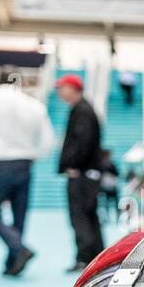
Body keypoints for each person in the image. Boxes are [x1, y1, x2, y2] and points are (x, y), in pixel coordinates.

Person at [0, 74, 54, 277]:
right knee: (19, 214)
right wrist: (34, 156)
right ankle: (13, 262)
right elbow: (48, 140)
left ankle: (18, 248)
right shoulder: (33, 104)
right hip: (25, 163)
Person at [54, 74, 103, 273]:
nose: (59, 92)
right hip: (86, 173)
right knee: (88, 215)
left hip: (81, 174)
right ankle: (95, 255)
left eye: (62, 87)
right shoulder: (83, 109)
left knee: (81, 216)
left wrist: (73, 165)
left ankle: (85, 256)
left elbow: (83, 142)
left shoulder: (82, 111)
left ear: (73, 88)